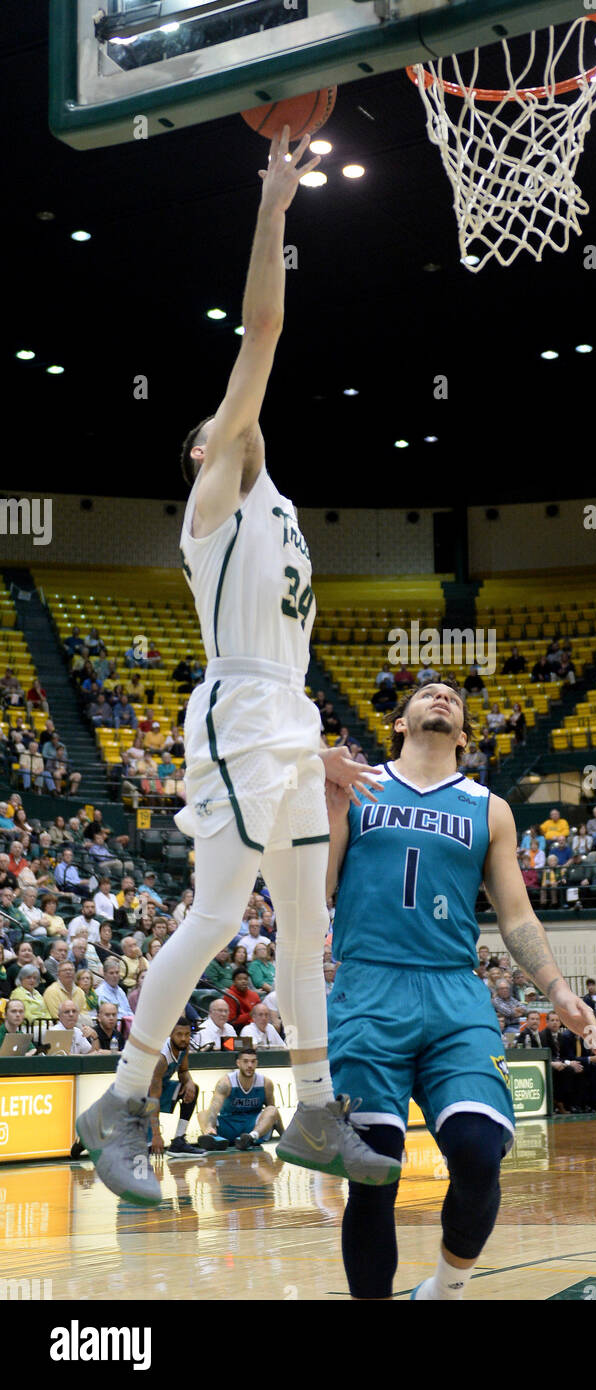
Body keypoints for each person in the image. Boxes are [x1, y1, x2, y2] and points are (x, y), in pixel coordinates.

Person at [76, 126, 399, 1205]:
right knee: (217, 915)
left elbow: (286, 653)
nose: (239, 419)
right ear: (203, 454)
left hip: (289, 717)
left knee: (306, 923)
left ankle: (312, 1107)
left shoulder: (278, 503)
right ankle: (119, 1097)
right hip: (235, 710)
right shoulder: (210, 506)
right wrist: (274, 203)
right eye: (221, 420)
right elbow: (261, 330)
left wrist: (326, 753)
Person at [325, 678, 596, 1301]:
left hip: (455, 993)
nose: (441, 696)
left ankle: (446, 1290)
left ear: (466, 735)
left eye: (452, 695)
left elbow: (516, 916)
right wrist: (326, 804)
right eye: (427, 692)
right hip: (368, 987)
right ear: (400, 722)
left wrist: (558, 991)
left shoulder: (490, 808)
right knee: (373, 1174)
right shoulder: (357, 787)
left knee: (479, 1153)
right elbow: (318, 889)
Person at [201, 1047, 283, 1151]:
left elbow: (273, 1114)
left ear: (257, 1063)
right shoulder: (226, 1083)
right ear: (238, 1063)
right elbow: (214, 1108)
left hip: (253, 1127)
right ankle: (213, 1138)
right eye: (245, 1062)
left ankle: (251, 1138)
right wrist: (210, 1126)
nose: (250, 1065)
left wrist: (284, 1136)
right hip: (229, 1124)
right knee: (203, 1114)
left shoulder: (266, 1083)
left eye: (253, 1062)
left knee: (272, 1109)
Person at [147, 1019, 205, 1159]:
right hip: (139, 1097)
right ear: (171, 1034)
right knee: (146, 1150)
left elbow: (183, 1071)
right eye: (179, 1034)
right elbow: (152, 1098)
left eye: (187, 1034)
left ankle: (178, 1141)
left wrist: (189, 1081)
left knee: (193, 1089)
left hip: (161, 1088)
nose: (184, 1038)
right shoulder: (161, 1058)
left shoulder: (183, 1048)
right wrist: (156, 1135)